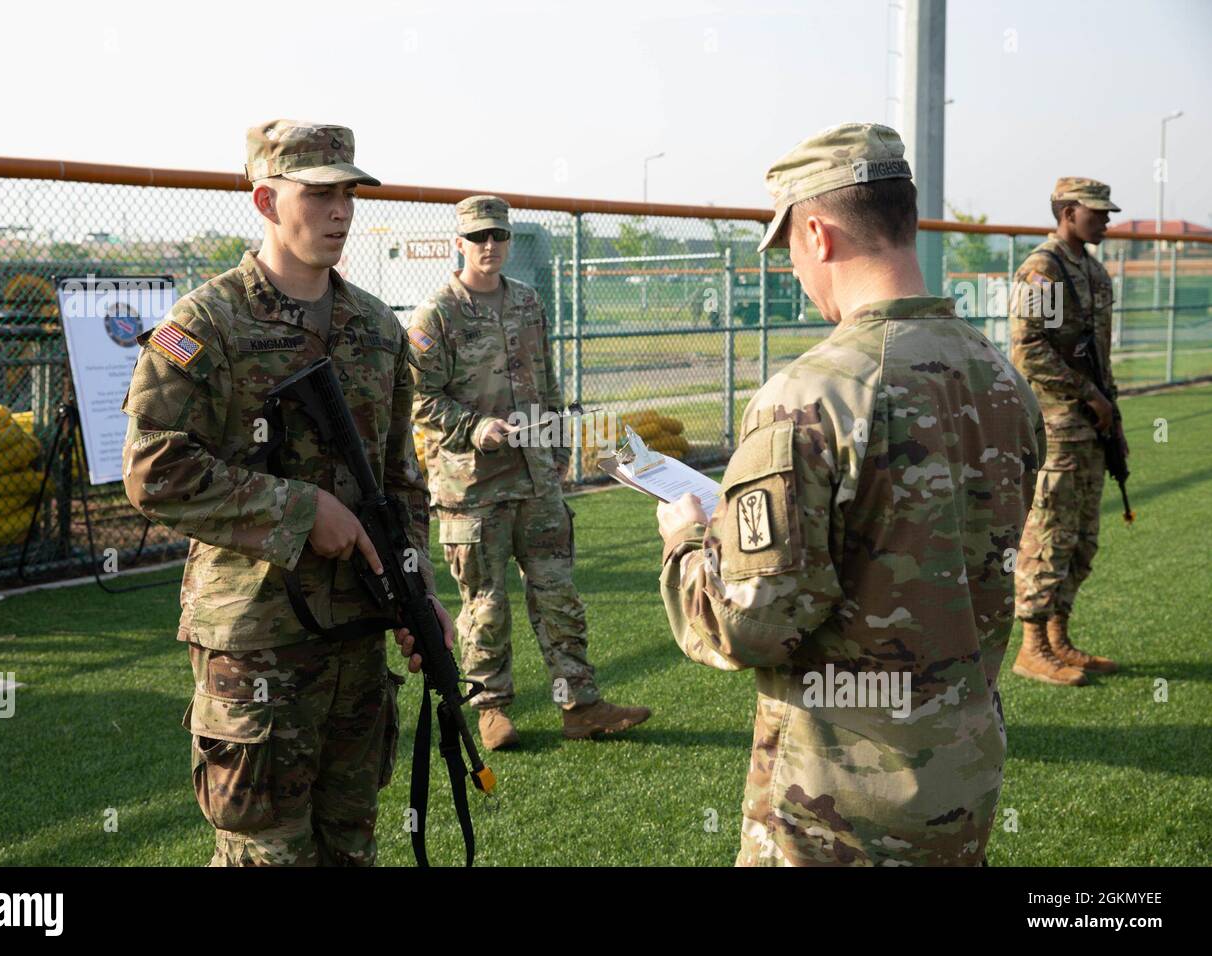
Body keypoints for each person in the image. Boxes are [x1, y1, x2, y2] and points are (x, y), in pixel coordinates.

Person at [655, 123, 1046, 865]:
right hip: (962, 780)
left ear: (817, 233)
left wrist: (684, 538)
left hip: (834, 810)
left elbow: (746, 626)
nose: (796, 271)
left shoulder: (809, 395)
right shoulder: (1002, 378)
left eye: (791, 251)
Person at [121, 119, 453, 866]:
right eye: (321, 194)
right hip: (258, 640)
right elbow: (153, 469)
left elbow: (402, 480)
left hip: (358, 635)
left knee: (352, 843)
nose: (341, 212)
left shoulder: (375, 326)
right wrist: (299, 511)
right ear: (267, 200)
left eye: (350, 194)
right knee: (265, 853)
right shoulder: (203, 325)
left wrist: (415, 590)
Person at [405, 195, 650, 749]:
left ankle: (580, 704)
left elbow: (548, 380)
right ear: (459, 243)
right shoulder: (437, 313)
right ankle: (492, 710)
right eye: (478, 237)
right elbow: (419, 397)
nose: (489, 246)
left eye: (498, 236)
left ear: (509, 240)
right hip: (473, 487)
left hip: (536, 478)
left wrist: (559, 445)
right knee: (485, 605)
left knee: (558, 594)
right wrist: (473, 426)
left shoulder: (528, 303)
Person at [1009, 177, 1125, 686]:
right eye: (1096, 212)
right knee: (1051, 532)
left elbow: (1100, 357)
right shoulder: (1044, 270)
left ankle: (1059, 639)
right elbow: (1028, 349)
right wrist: (1088, 395)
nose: (1105, 220)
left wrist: (1110, 412)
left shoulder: (1095, 273)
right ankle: (1032, 647)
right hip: (1058, 425)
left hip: (1092, 427)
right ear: (1067, 211)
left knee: (1082, 537)